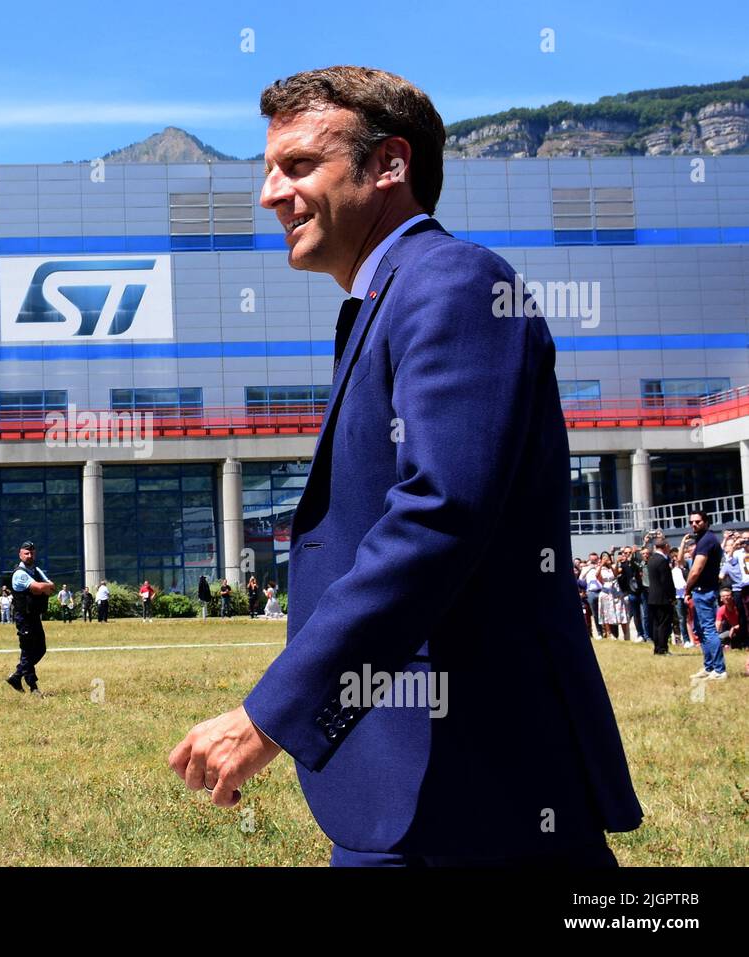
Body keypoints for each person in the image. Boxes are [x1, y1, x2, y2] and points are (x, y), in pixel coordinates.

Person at [171, 66, 640, 867]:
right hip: (417, 777)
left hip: (472, 778)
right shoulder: (388, 300)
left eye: (297, 166)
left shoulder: (454, 284)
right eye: (268, 170)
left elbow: (438, 514)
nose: (269, 195)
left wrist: (270, 715)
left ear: (390, 164)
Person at [5, 541, 54, 695]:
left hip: (34, 616)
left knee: (40, 649)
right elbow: (40, 588)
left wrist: (43, 588)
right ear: (20, 554)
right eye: (26, 553)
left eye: (32, 552)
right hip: (23, 618)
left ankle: (17, 676)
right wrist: (42, 588)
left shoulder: (36, 570)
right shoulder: (20, 573)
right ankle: (33, 687)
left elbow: (52, 587)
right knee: (27, 651)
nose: (29, 555)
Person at [688, 510, 727, 680]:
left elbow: (696, 570)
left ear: (706, 521)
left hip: (704, 591)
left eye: (697, 521)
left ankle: (719, 670)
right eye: (691, 522)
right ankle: (709, 666)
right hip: (702, 591)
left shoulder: (706, 540)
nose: (694, 524)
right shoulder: (703, 539)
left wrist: (687, 588)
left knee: (709, 630)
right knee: (700, 629)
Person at [646, 536, 675, 655]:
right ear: (666, 547)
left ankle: (657, 647)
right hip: (663, 597)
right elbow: (666, 581)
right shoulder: (662, 561)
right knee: (664, 624)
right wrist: (672, 596)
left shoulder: (652, 559)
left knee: (656, 624)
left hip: (653, 596)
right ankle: (663, 648)